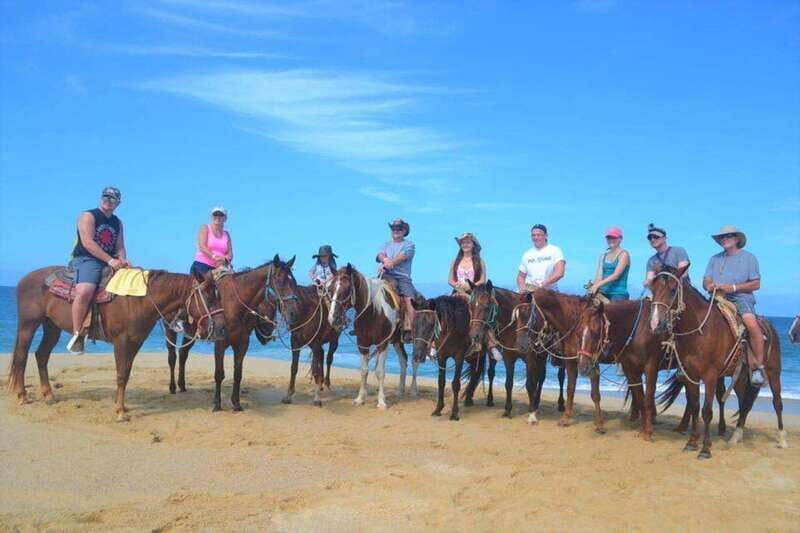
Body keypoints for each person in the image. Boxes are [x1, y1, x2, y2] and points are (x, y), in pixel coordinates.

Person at [66, 186, 130, 354]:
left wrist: (123, 261)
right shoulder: (88, 216)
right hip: (87, 258)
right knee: (85, 290)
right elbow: (88, 243)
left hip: (110, 261)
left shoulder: (117, 222)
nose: (108, 201)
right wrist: (110, 260)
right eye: (105, 197)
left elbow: (120, 246)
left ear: (118, 203)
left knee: (131, 284)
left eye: (112, 199)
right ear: (101, 198)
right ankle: (77, 334)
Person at [702, 225, 766, 386]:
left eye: (728, 236)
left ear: (737, 239)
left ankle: (758, 367)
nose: (724, 239)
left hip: (741, 298)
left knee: (752, 325)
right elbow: (706, 279)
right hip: (716, 297)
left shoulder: (749, 258)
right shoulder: (714, 259)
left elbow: (756, 284)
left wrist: (733, 288)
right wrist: (709, 285)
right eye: (722, 237)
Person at [448, 233, 501, 361]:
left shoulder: (479, 261)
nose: (465, 245)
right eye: (463, 243)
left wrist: (470, 287)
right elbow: (450, 279)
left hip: (474, 293)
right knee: (443, 311)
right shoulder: (455, 261)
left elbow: (483, 279)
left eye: (468, 242)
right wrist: (457, 286)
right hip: (457, 292)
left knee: (483, 313)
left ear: (473, 245)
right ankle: (435, 343)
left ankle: (491, 345)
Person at [377, 218, 417, 341]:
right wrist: (385, 260)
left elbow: (403, 256)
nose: (396, 231)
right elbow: (380, 254)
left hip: (402, 278)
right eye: (394, 228)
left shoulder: (409, 244)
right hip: (385, 275)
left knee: (410, 300)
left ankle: (412, 328)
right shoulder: (386, 244)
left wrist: (392, 262)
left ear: (404, 231)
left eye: (399, 229)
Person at [516, 224, 565, 293]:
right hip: (529, 291)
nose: (536, 237)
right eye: (533, 235)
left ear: (546, 236)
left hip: (549, 292)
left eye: (539, 235)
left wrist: (541, 286)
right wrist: (522, 289)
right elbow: (521, 276)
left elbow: (559, 273)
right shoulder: (527, 254)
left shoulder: (555, 250)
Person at [589, 227, 630, 301]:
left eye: (614, 238)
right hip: (603, 292)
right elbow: (599, 276)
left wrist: (598, 285)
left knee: (612, 310)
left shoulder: (624, 254)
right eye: (608, 238)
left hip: (618, 294)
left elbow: (616, 275)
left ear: (620, 239)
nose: (611, 240)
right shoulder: (602, 256)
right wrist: (593, 287)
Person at [191, 206, 233, 275]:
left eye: (221, 215)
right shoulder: (205, 228)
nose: (218, 217)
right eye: (215, 214)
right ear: (211, 217)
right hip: (202, 265)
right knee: (203, 285)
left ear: (225, 218)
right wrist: (215, 257)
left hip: (220, 268)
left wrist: (226, 259)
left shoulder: (227, 234)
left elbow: (230, 254)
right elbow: (202, 247)